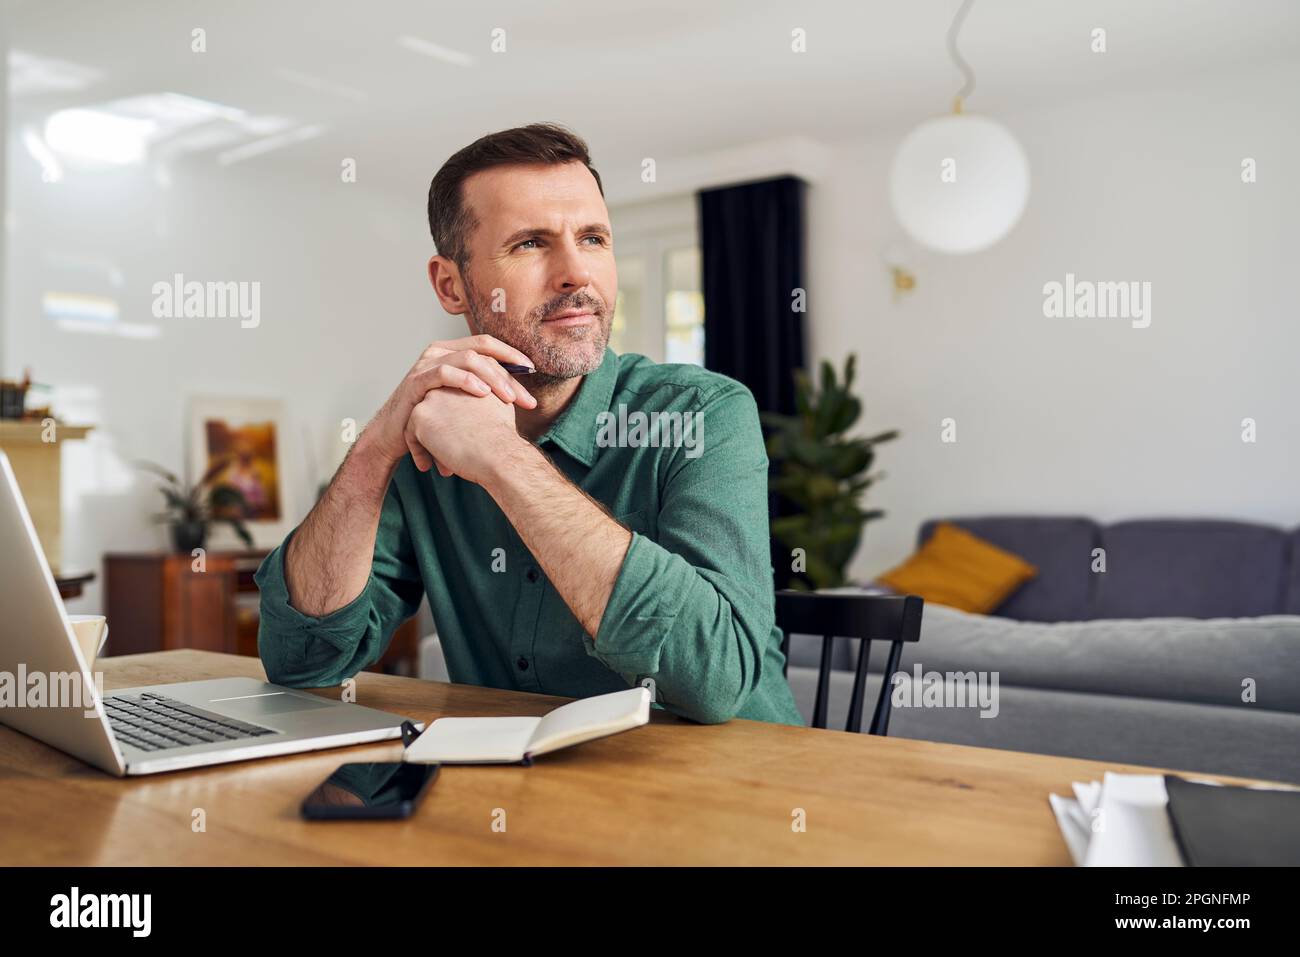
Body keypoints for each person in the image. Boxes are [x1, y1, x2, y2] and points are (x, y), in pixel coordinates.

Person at [255, 123, 803, 726]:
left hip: (737, 793)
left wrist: (504, 457)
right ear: (450, 284)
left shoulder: (701, 413)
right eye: (530, 244)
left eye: (593, 238)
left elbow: (715, 677)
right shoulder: (427, 433)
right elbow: (300, 661)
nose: (577, 274)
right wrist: (377, 446)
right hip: (520, 796)